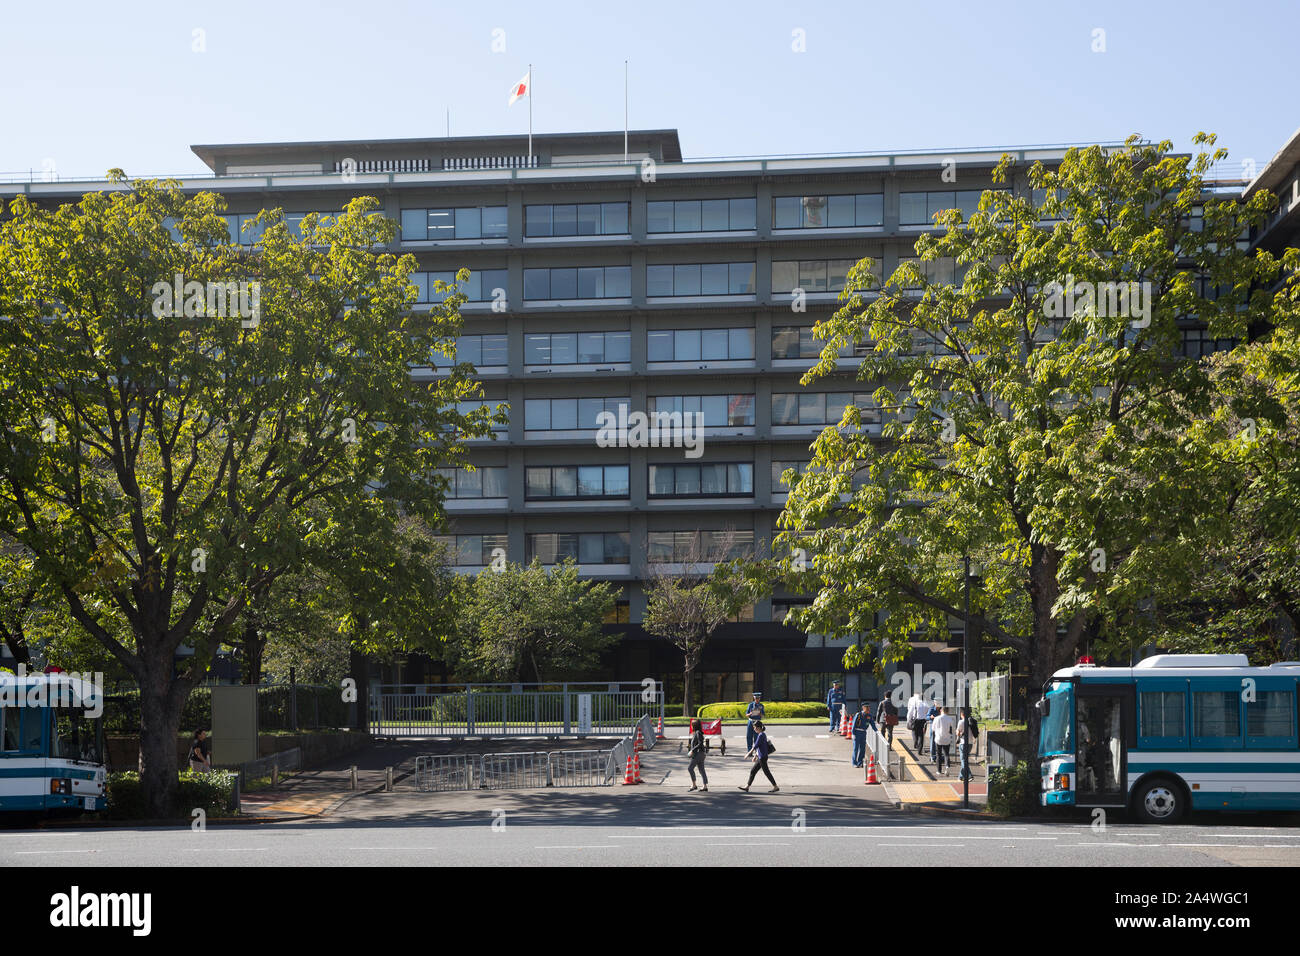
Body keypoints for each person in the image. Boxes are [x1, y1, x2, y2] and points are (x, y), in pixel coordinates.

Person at [738, 720, 779, 792]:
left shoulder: (761, 735)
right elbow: (760, 747)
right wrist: (755, 756)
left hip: (762, 757)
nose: (754, 729)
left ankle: (775, 786)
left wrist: (748, 754)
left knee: (766, 772)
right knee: (753, 771)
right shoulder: (762, 734)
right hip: (761, 757)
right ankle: (747, 787)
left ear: (759, 728)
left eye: (755, 728)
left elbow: (755, 746)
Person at [956, 707, 979, 783]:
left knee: (963, 760)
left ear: (962, 714)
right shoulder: (971, 721)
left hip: (963, 743)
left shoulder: (961, 722)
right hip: (970, 743)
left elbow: (958, 733)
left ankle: (969, 775)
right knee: (965, 760)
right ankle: (960, 777)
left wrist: (957, 732)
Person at [931, 706, 956, 775]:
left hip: (938, 738)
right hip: (947, 738)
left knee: (938, 754)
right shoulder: (949, 719)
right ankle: (947, 766)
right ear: (947, 711)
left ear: (941, 711)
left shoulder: (936, 718)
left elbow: (933, 728)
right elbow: (953, 728)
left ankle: (939, 771)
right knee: (946, 754)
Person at [686, 719, 709, 792]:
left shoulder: (698, 733)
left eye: (692, 725)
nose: (691, 726)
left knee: (690, 768)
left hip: (698, 754)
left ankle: (694, 785)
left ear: (694, 726)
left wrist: (692, 750)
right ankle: (705, 786)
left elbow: (700, 744)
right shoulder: (697, 732)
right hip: (701, 753)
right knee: (701, 770)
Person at [851, 703, 876, 767]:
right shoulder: (859, 715)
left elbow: (873, 724)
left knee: (862, 749)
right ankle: (854, 762)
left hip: (863, 733)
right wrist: (853, 733)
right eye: (866, 708)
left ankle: (860, 762)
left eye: (869, 708)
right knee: (856, 748)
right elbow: (854, 724)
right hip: (857, 732)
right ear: (863, 708)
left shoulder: (869, 716)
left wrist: (877, 731)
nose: (868, 709)